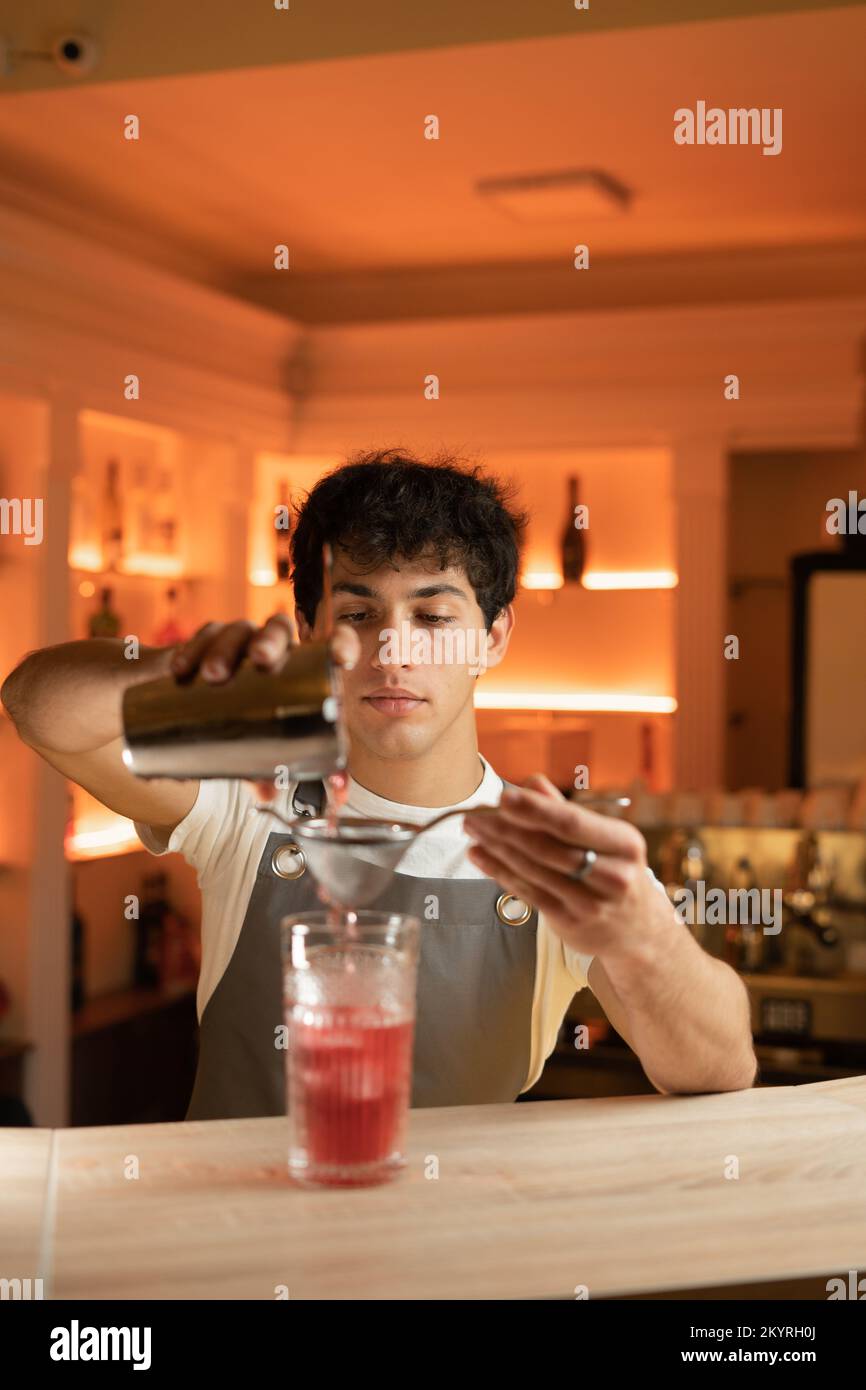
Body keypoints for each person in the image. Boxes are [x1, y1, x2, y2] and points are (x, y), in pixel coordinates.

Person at [1, 449, 757, 1118]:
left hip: (448, 1265)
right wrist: (176, 669)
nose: (393, 652)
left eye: (433, 616)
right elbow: (37, 706)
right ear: (311, 634)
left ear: (492, 638)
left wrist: (642, 934)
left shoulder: (545, 847)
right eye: (358, 613)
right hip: (235, 1259)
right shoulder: (248, 794)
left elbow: (720, 1066)